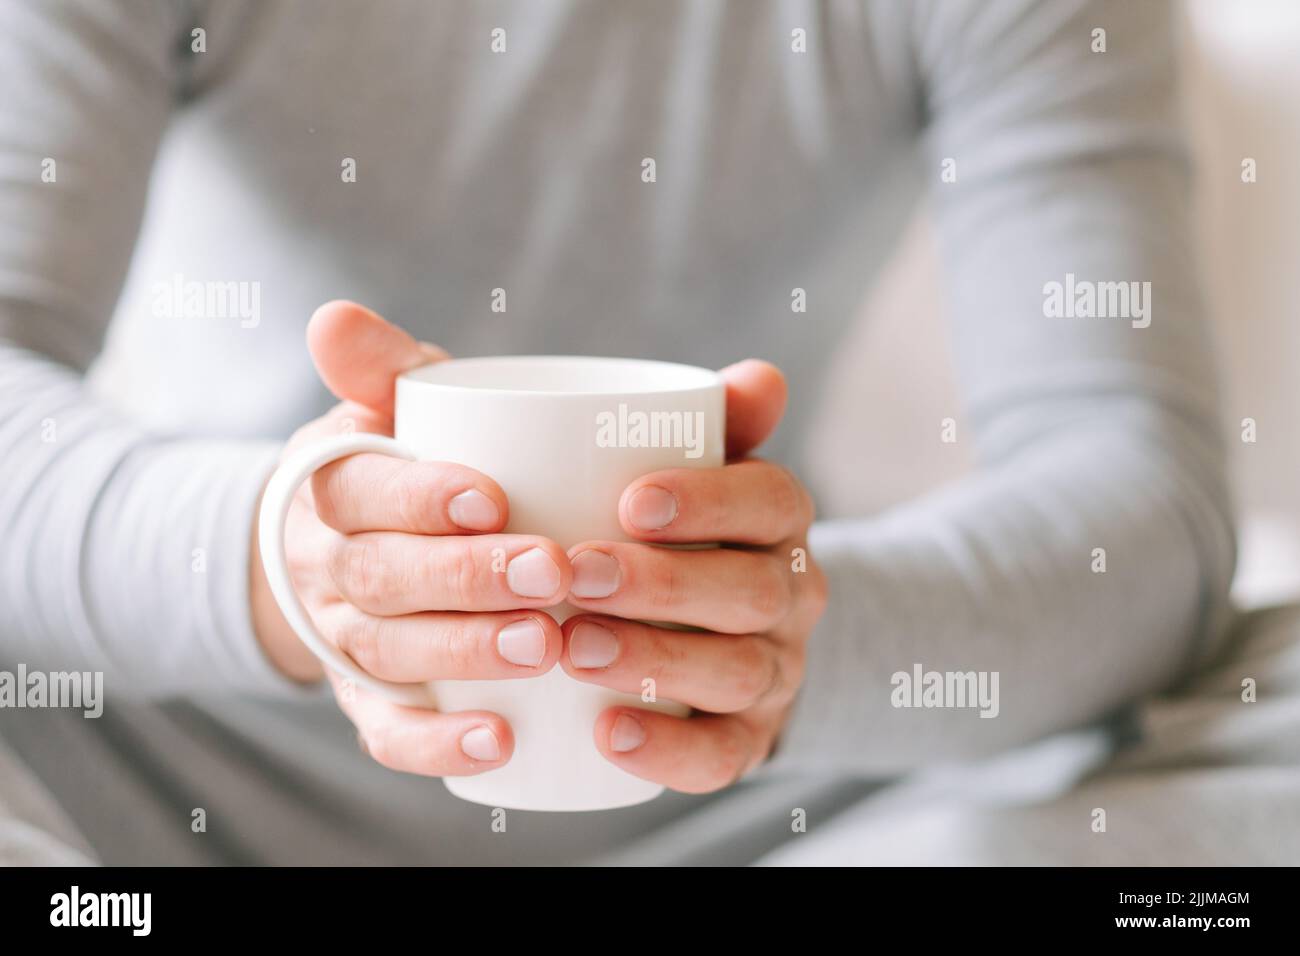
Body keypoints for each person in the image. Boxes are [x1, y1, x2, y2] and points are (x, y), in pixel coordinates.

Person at [0, 0, 1262, 864]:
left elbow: (1139, 495)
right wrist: (285, 561)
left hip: (774, 798)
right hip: (179, 763)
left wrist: (772, 642)